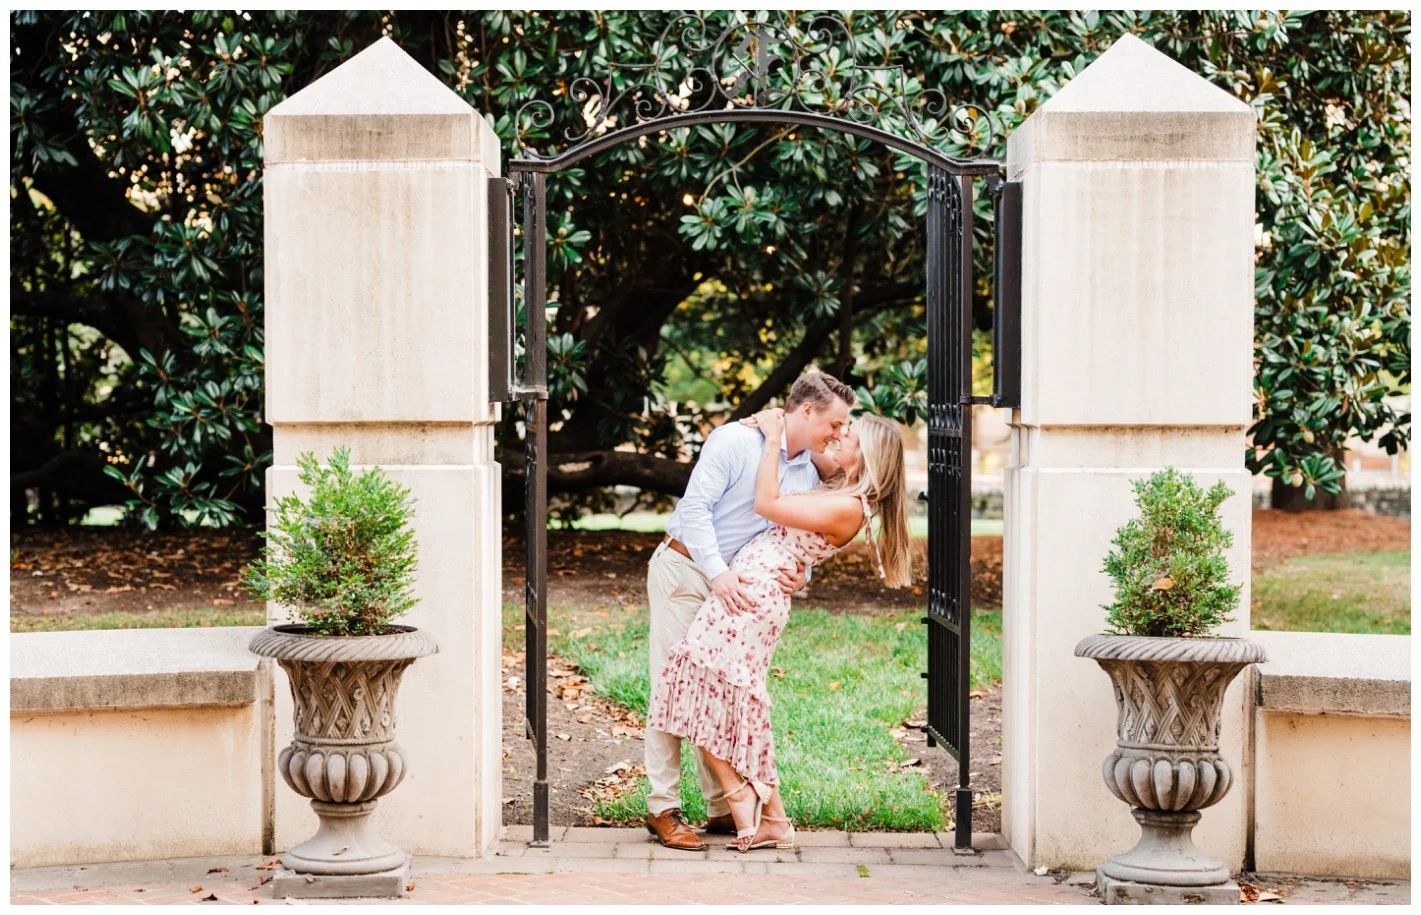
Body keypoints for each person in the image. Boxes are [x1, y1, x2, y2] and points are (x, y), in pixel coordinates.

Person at [646, 405, 913, 852]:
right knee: (704, 692)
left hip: (748, 596)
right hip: (722, 581)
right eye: (836, 425)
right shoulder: (831, 482)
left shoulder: (845, 502)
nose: (839, 435)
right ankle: (757, 813)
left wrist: (773, 440)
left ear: (866, 454)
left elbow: (769, 508)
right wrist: (778, 430)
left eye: (848, 433)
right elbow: (792, 538)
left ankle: (744, 801)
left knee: (699, 692)